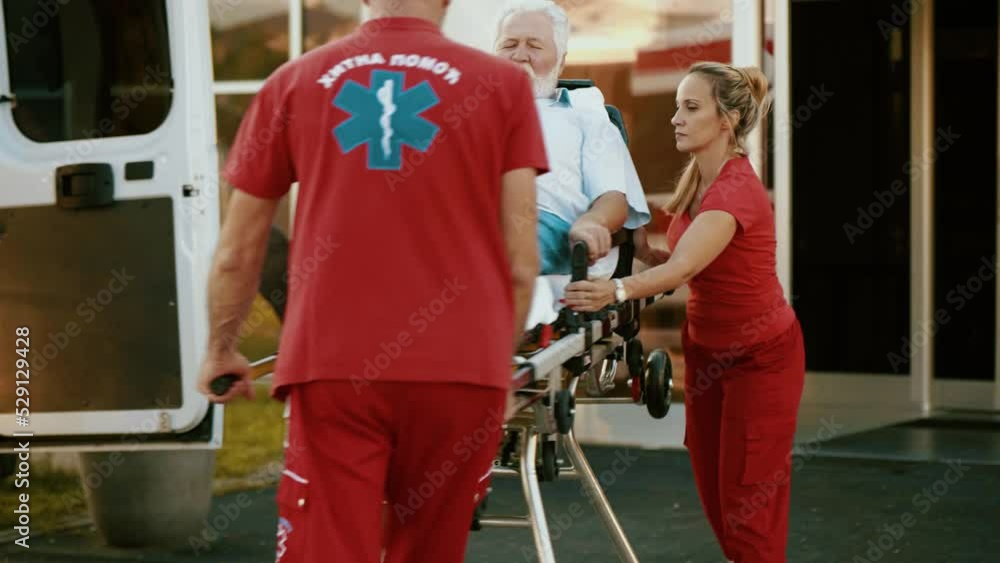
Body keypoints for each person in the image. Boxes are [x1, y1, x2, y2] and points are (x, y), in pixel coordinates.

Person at [195, 0, 549, 561]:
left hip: (333, 367)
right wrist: (495, 363)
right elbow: (520, 260)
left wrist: (221, 349)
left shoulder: (294, 81)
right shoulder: (503, 86)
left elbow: (238, 252)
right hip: (460, 369)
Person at [564, 62, 806, 563]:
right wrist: (632, 246)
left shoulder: (734, 191)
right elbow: (673, 261)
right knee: (718, 496)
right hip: (708, 351)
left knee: (747, 503)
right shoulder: (699, 178)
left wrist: (616, 291)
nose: (675, 117)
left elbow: (683, 269)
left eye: (691, 107)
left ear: (728, 121)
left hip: (759, 360)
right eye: (677, 104)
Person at [494, 0, 650, 280]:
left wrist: (593, 222)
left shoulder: (585, 119)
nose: (519, 55)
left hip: (544, 228)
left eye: (534, 45)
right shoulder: (466, 114)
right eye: (508, 45)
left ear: (561, 60)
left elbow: (611, 198)